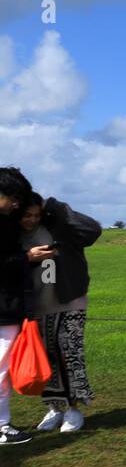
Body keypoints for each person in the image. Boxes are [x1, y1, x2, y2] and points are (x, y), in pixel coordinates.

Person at [19, 193, 102, 432]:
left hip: (69, 301)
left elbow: (92, 230)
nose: (31, 220)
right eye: (26, 215)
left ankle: (74, 410)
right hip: (36, 306)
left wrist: (55, 207)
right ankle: (54, 408)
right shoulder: (12, 235)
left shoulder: (59, 226)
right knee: (45, 358)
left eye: (36, 215)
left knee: (69, 354)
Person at [0, 168, 39, 445]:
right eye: (13, 197)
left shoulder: (7, 220)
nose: (17, 204)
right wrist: (27, 256)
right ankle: (2, 426)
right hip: (4, 305)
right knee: (1, 369)